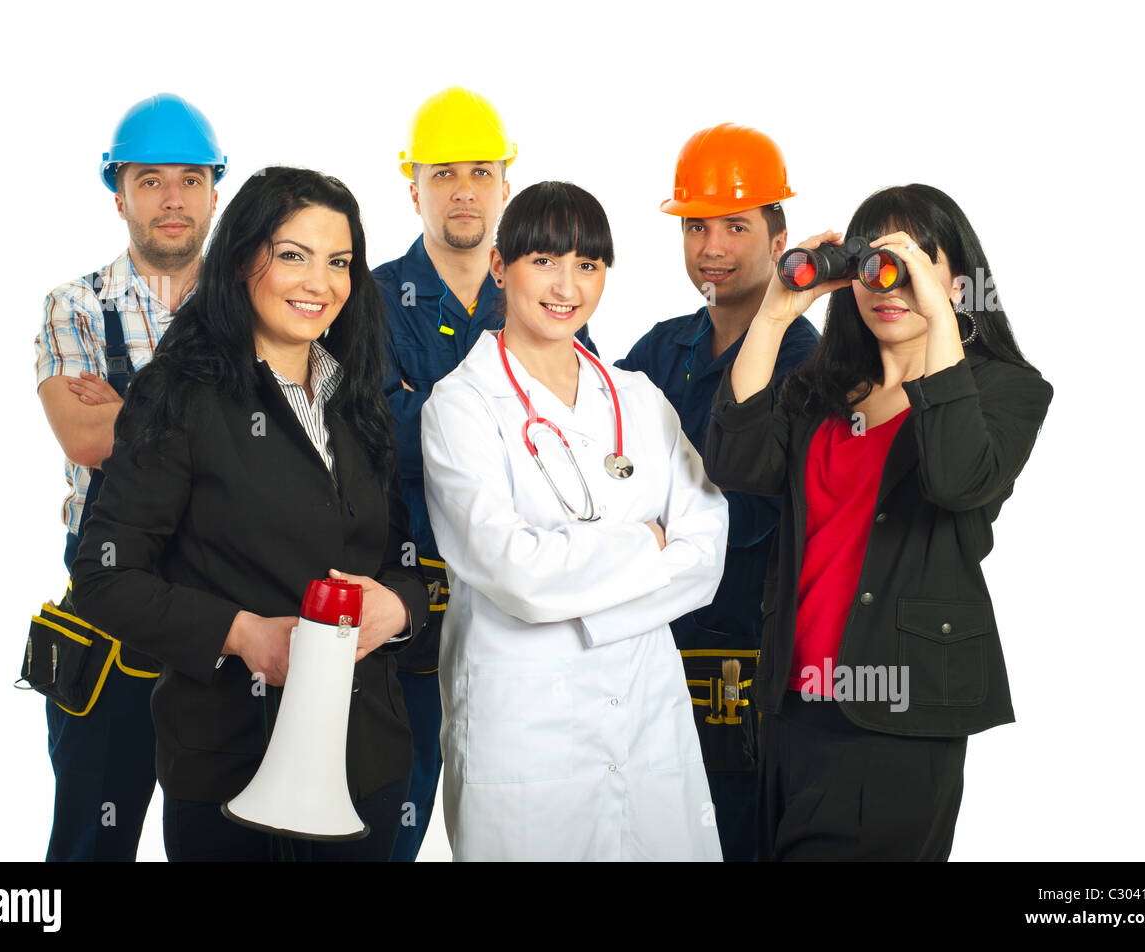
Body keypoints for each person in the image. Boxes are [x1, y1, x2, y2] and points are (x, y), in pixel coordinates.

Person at [69, 167, 428, 861]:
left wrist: (401, 609)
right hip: (231, 769)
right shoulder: (179, 396)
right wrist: (241, 635)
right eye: (292, 255)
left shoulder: (356, 397)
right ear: (240, 261)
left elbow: (397, 559)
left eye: (339, 261)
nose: (318, 282)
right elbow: (105, 577)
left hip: (369, 767)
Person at [703, 184, 1053, 860]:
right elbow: (735, 459)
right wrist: (774, 317)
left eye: (917, 263)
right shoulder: (825, 389)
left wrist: (941, 323)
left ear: (957, 280)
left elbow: (958, 480)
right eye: (874, 267)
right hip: (791, 708)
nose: (889, 284)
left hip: (896, 718)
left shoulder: (1002, 389)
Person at [422, 181, 727, 861]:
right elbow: (515, 574)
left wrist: (575, 570)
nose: (567, 285)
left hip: (648, 718)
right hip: (526, 728)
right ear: (500, 267)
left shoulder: (638, 398)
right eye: (544, 261)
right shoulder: (461, 406)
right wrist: (646, 546)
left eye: (587, 265)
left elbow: (706, 550)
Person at [373, 86, 594, 860]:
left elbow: (576, 438)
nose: (462, 190)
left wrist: (422, 409)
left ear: (505, 184)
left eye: (478, 171)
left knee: (520, 828)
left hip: (516, 607)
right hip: (403, 605)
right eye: (442, 174)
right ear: (413, 187)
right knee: (386, 825)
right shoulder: (367, 301)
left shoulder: (544, 290)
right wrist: (498, 424)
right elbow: (369, 443)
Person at [616, 124, 818, 861]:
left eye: (736, 225)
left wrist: (661, 524)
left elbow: (758, 516)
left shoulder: (812, 369)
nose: (712, 247)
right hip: (644, 670)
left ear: (779, 236)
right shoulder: (659, 350)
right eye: (696, 225)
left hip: (746, 685)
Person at [33, 92, 225, 861]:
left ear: (216, 191)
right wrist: (212, 412)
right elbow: (84, 437)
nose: (172, 199)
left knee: (220, 842)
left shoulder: (253, 305)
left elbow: (273, 444)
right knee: (91, 844)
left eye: (189, 179)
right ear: (120, 194)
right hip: (108, 622)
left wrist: (134, 410)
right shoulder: (73, 307)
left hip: (224, 614)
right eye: (151, 180)